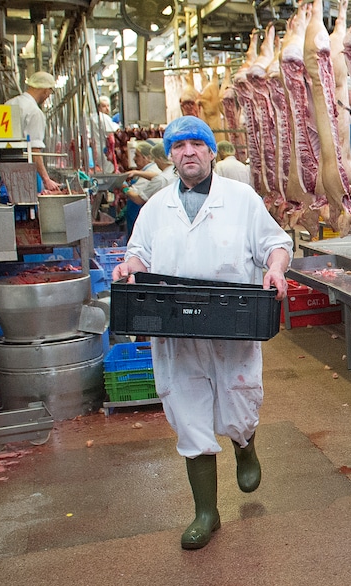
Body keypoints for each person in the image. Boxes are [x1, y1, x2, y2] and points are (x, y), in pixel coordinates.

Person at [112, 116, 293, 550]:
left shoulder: (241, 198)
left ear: (211, 151)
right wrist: (129, 268)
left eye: (196, 143)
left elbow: (276, 243)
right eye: (179, 146)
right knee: (187, 412)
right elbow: (139, 254)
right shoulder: (156, 207)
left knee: (238, 400)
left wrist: (275, 269)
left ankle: (245, 443)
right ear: (170, 155)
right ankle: (206, 513)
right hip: (175, 327)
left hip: (232, 322)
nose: (188, 152)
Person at [5, 71, 61, 191]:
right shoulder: (34, 112)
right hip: (26, 175)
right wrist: (46, 179)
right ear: (46, 90)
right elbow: (34, 150)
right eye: (50, 92)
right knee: (28, 202)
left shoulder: (8, 104)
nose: (48, 96)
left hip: (4, 171)